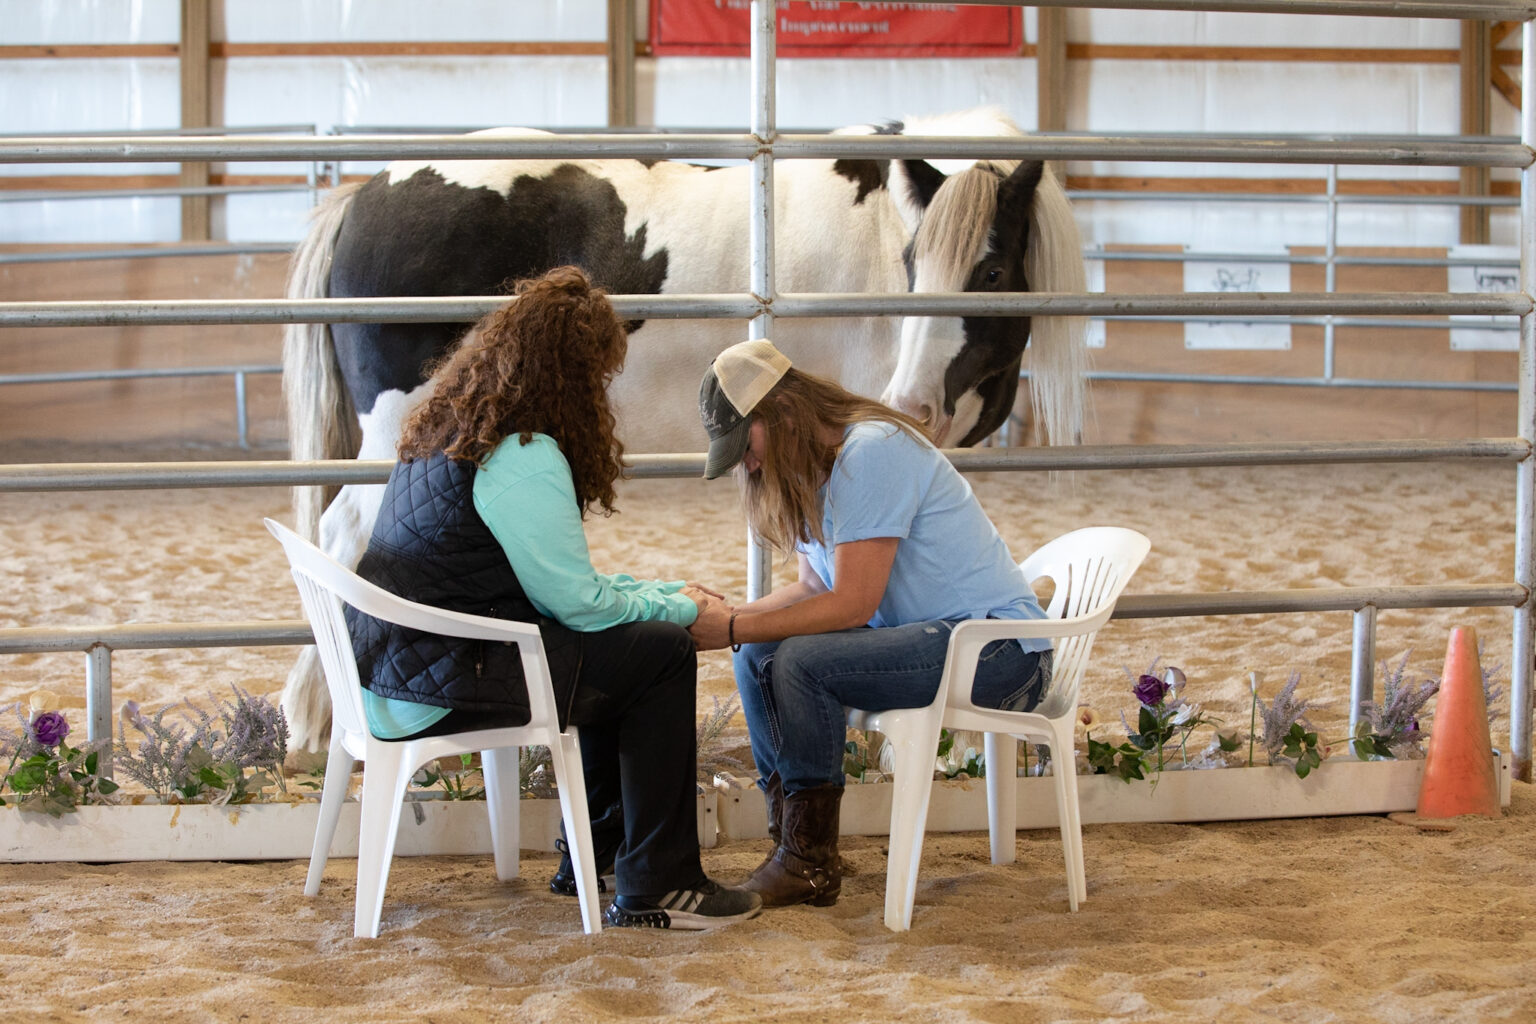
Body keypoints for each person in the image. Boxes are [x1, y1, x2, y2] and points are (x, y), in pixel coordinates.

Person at [346, 266, 761, 930]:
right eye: (596, 376)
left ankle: (596, 858)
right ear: (572, 376)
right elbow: (578, 604)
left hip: (409, 662)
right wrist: (681, 611)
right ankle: (660, 882)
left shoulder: (452, 430)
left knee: (619, 646)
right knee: (656, 655)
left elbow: (558, 589)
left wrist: (659, 592)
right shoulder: (523, 452)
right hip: (445, 679)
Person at [690, 339, 1055, 909]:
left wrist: (733, 624)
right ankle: (792, 838)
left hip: (1000, 652)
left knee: (799, 660)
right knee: (758, 654)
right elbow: (814, 588)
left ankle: (807, 861)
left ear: (783, 413)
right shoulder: (821, 463)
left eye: (747, 446)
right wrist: (721, 617)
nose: (748, 464)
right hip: (938, 640)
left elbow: (853, 604)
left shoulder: (872, 449)